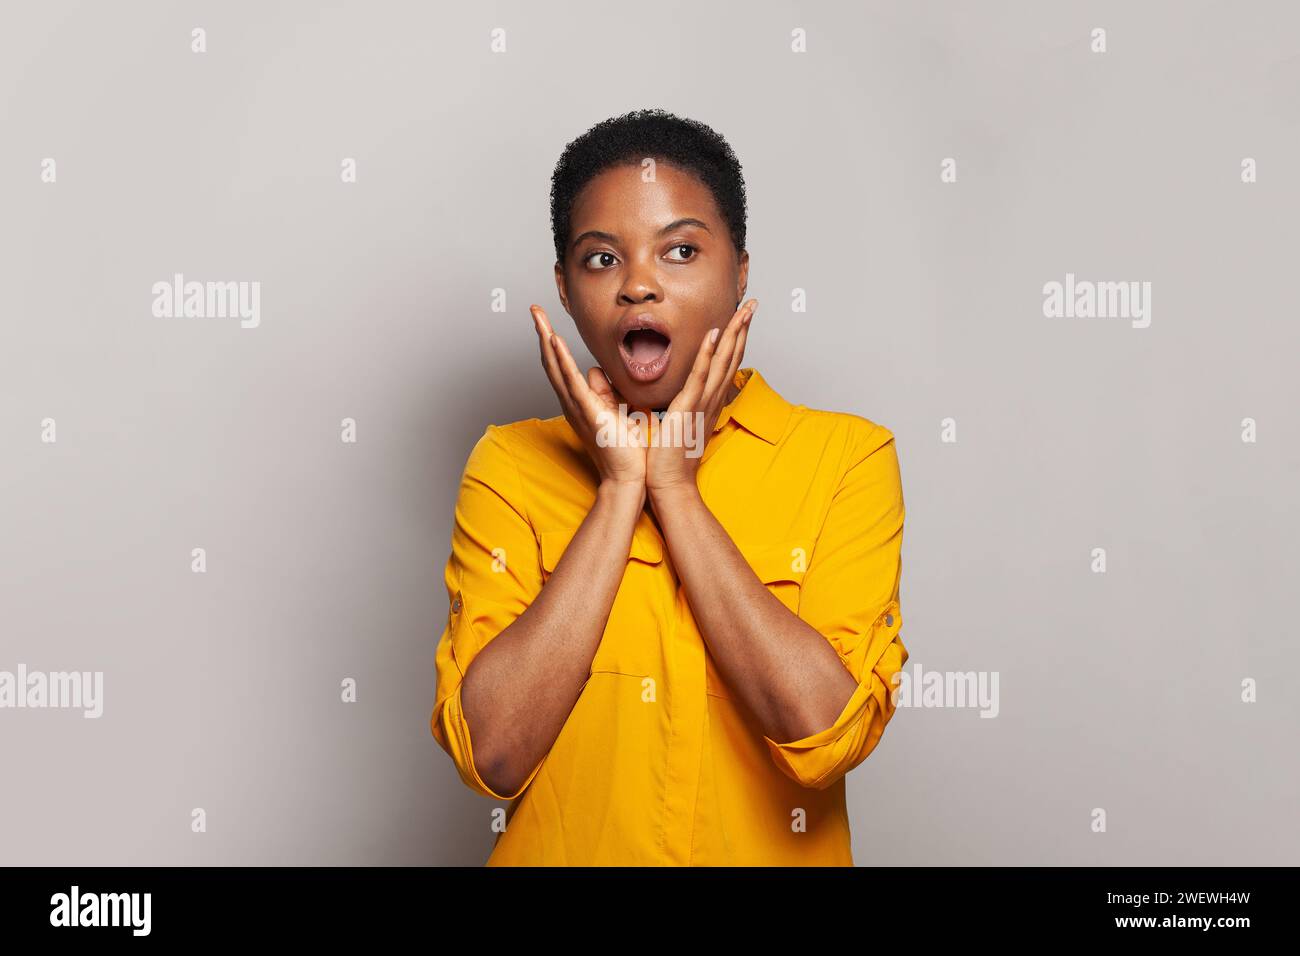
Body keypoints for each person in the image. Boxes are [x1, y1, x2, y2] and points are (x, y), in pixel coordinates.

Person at [431, 108, 908, 865]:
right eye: (601, 260)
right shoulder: (511, 467)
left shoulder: (845, 458)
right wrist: (622, 487)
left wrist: (677, 490)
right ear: (564, 285)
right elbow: (494, 754)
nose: (639, 287)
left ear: (740, 270)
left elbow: (825, 733)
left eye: (680, 250)